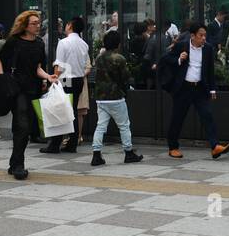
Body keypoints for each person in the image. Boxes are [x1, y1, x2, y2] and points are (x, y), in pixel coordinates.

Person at [0, 10, 57, 180]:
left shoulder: (38, 44)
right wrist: (3, 78)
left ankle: (13, 162)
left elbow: (37, 68)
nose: (38, 26)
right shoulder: (14, 41)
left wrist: (48, 77)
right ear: (24, 25)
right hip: (17, 89)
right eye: (34, 23)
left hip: (34, 89)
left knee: (25, 127)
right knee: (22, 125)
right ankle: (19, 165)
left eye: (38, 23)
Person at [161, 22, 229, 160]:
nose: (204, 38)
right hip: (183, 88)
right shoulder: (182, 45)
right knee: (178, 118)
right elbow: (166, 58)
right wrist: (179, 59)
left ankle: (215, 146)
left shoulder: (208, 49)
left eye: (205, 35)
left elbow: (210, 70)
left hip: (200, 88)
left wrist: (212, 89)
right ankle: (173, 147)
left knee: (207, 115)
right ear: (193, 36)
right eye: (201, 35)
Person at [90, 29, 140, 167]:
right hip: (116, 97)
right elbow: (125, 77)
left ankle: (96, 154)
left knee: (100, 126)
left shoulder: (99, 58)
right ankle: (128, 152)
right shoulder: (119, 59)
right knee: (124, 126)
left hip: (100, 98)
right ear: (117, 44)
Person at [44, 16, 90, 154]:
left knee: (60, 110)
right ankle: (72, 143)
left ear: (70, 25)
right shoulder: (84, 44)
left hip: (65, 79)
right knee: (73, 111)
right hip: (79, 80)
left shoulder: (63, 43)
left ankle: (55, 144)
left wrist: (54, 79)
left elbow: (60, 65)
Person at [143, 18, 167, 88]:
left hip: (153, 63)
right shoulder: (153, 37)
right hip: (153, 63)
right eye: (153, 25)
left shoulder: (154, 36)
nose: (154, 27)